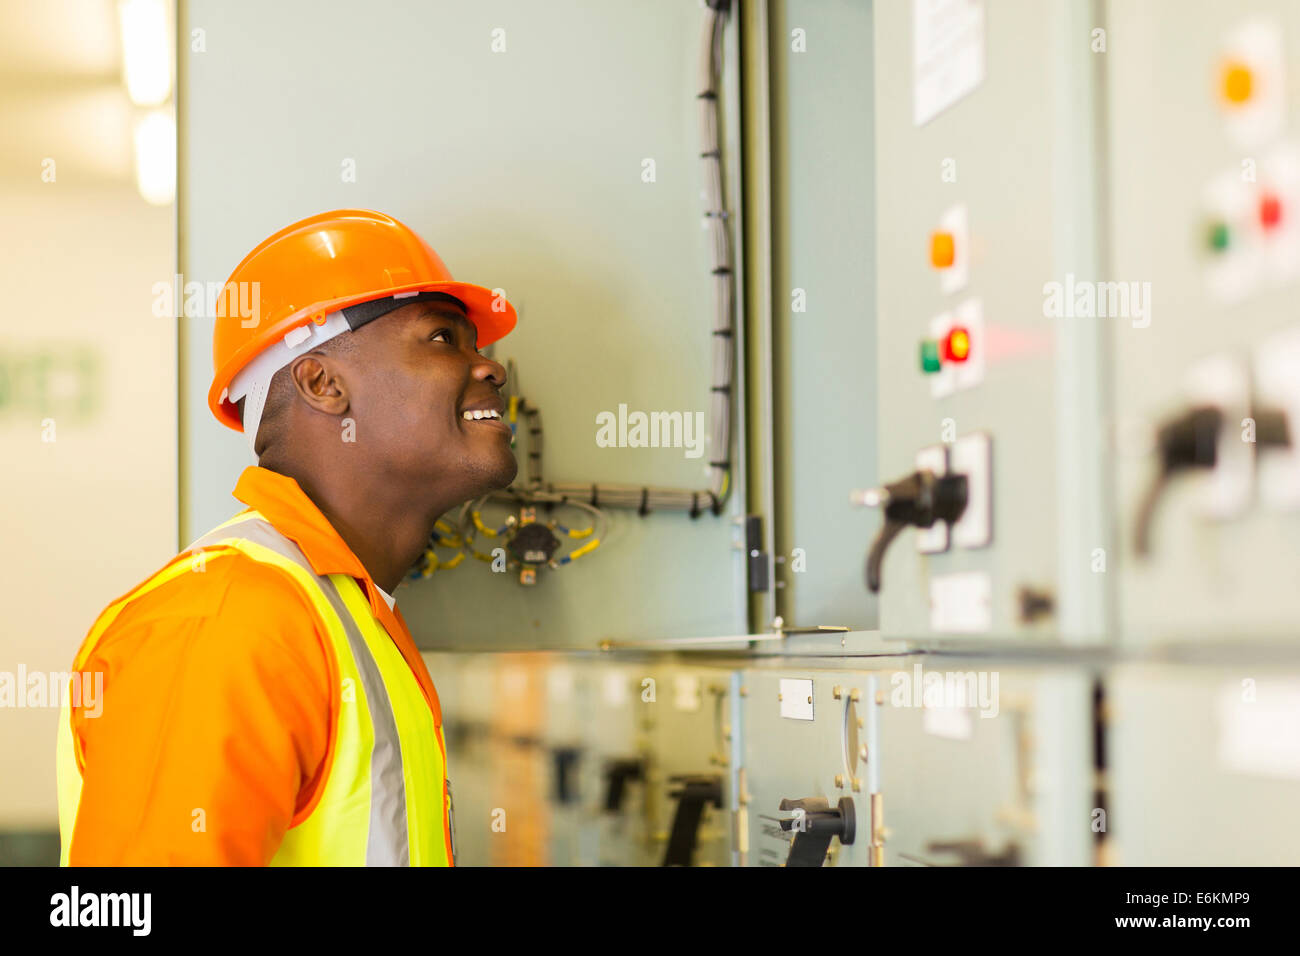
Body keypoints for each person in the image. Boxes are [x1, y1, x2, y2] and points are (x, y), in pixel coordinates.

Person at [57, 209, 518, 865]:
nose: (491, 370)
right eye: (444, 339)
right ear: (322, 382)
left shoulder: (345, 615)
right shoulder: (227, 621)